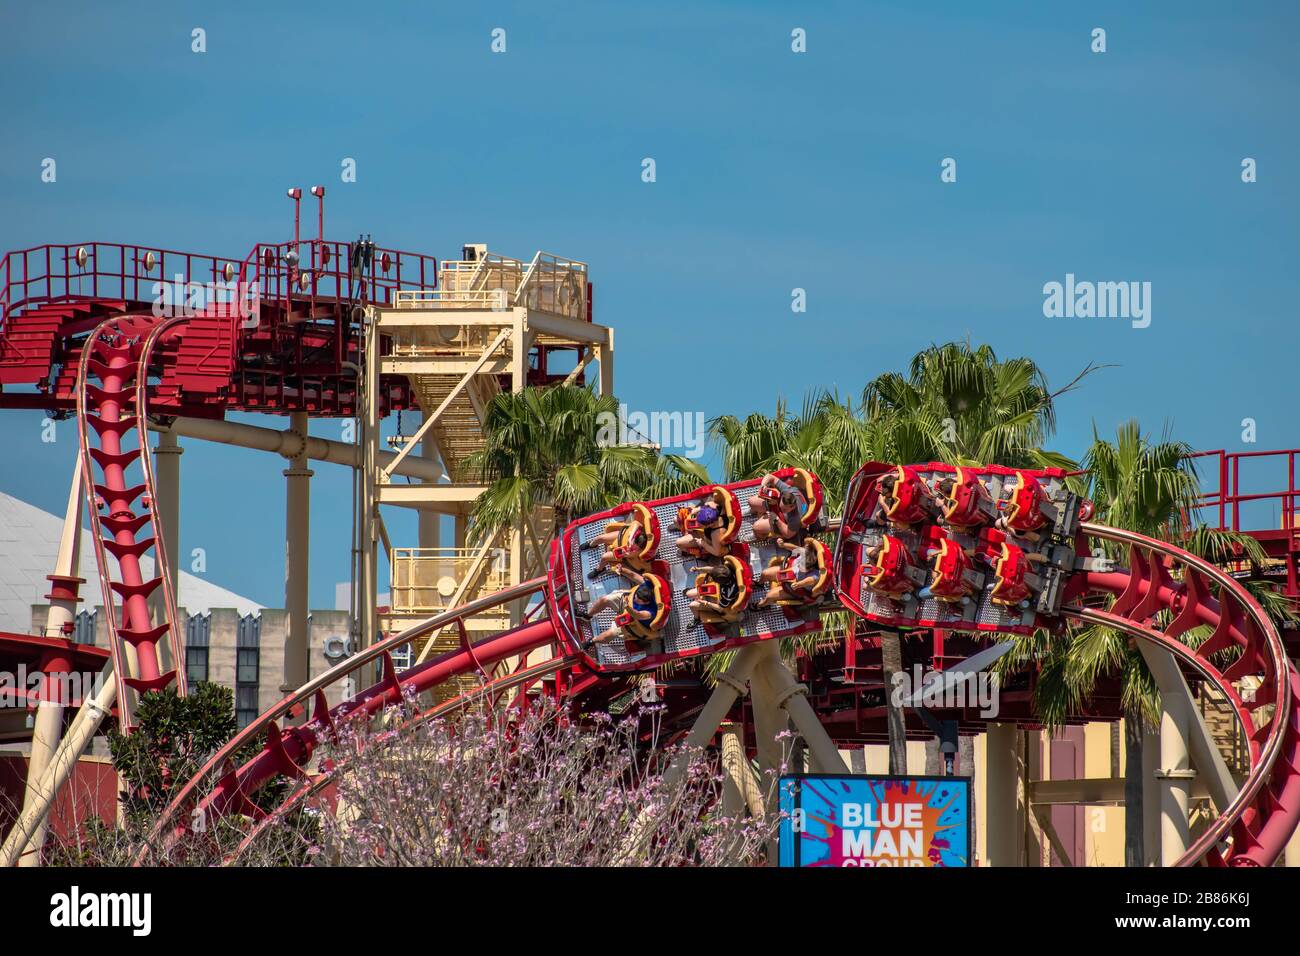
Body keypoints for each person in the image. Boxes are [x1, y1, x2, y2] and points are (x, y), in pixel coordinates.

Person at [578, 564, 667, 650]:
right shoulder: (647, 586)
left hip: (634, 622)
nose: (636, 598)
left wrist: (627, 607)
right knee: (604, 599)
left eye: (639, 599)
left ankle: (592, 641)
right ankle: (587, 615)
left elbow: (638, 615)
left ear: (647, 602)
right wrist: (622, 570)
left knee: (611, 633)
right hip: (627, 600)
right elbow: (633, 575)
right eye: (637, 595)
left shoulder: (651, 612)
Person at [757, 538, 828, 608]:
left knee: (769, 596)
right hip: (786, 570)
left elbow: (811, 580)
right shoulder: (805, 553)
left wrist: (799, 584)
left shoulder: (816, 574)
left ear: (811, 568)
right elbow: (794, 548)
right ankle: (759, 583)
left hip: (791, 588)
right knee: (765, 573)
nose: (799, 565)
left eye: (802, 566)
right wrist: (783, 544)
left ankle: (760, 605)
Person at [684, 556, 747, 623]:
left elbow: (720, 608)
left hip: (719, 602)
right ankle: (695, 596)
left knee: (691, 605)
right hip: (716, 589)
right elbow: (712, 570)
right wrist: (698, 569)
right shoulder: (727, 570)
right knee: (689, 594)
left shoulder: (728, 593)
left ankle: (697, 619)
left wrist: (706, 603)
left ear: (719, 582)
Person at [750, 472, 810, 540]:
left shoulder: (796, 518)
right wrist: (763, 485)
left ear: (792, 507)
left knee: (756, 527)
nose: (782, 509)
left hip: (781, 521)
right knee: (751, 501)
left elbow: (788, 534)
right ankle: (758, 512)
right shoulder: (788, 491)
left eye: (784, 510)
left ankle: (760, 536)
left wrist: (776, 519)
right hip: (775, 507)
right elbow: (770, 476)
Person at [675, 489, 734, 558]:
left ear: (710, 524)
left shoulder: (716, 534)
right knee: (676, 520)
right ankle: (683, 530)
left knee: (679, 543)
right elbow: (699, 509)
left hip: (705, 538)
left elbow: (717, 552)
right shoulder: (713, 506)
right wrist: (694, 512)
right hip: (705, 530)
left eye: (703, 524)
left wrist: (702, 543)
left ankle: (700, 554)